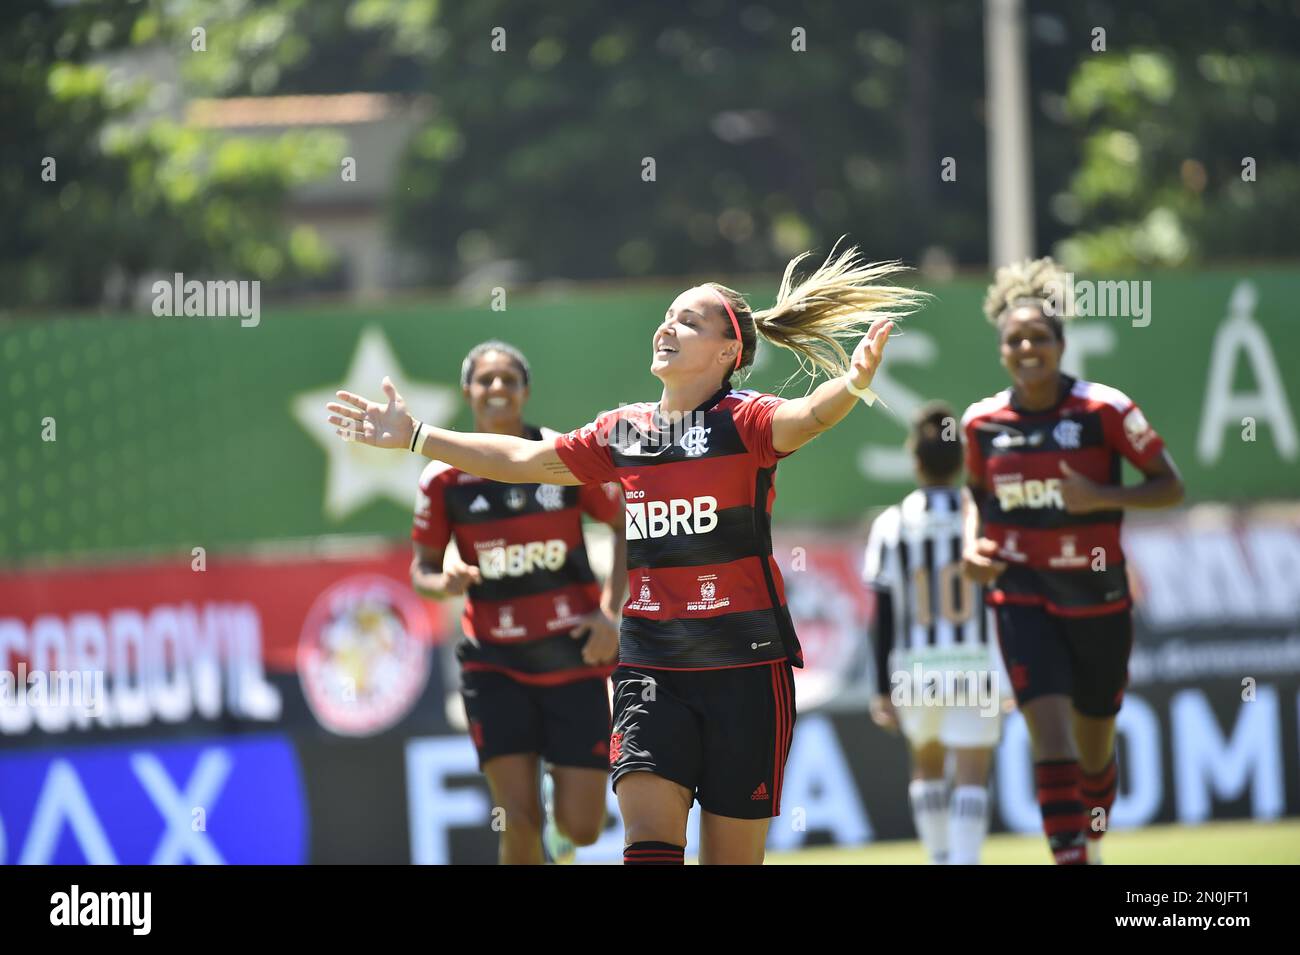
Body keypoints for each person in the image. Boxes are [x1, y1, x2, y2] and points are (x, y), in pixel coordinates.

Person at [327, 245, 926, 864]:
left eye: (689, 321)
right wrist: (419, 436)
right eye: (667, 316)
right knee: (647, 844)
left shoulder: (745, 421)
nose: (667, 326)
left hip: (744, 670)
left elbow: (807, 416)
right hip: (651, 669)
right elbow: (522, 460)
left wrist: (852, 385)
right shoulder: (623, 431)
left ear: (728, 353)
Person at [960, 257, 1184, 864]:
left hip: (1096, 593)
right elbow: (976, 495)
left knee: (1093, 746)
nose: (1027, 347)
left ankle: (1093, 834)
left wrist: (1102, 496)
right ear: (1002, 350)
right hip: (1019, 588)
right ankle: (1071, 857)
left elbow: (1169, 485)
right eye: (1015, 340)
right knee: (1049, 735)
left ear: (1061, 344)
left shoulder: (1104, 410)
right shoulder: (982, 423)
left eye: (1038, 337)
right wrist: (972, 541)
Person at [410, 340, 626, 864]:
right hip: (494, 665)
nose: (497, 388)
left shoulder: (562, 457)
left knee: (584, 828)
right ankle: (535, 810)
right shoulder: (441, 478)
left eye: (509, 379)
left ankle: (563, 811)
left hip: (574, 657)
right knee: (518, 821)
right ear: (469, 393)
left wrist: (610, 614)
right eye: (486, 380)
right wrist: (447, 580)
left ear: (526, 391)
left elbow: (625, 525)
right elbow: (421, 571)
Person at [865, 401, 1007, 865]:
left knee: (926, 765)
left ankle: (941, 857)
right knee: (971, 770)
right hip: (976, 663)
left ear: (915, 459)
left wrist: (881, 688)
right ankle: (965, 860)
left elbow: (882, 611)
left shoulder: (892, 523)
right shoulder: (982, 516)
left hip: (915, 667)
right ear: (962, 459)